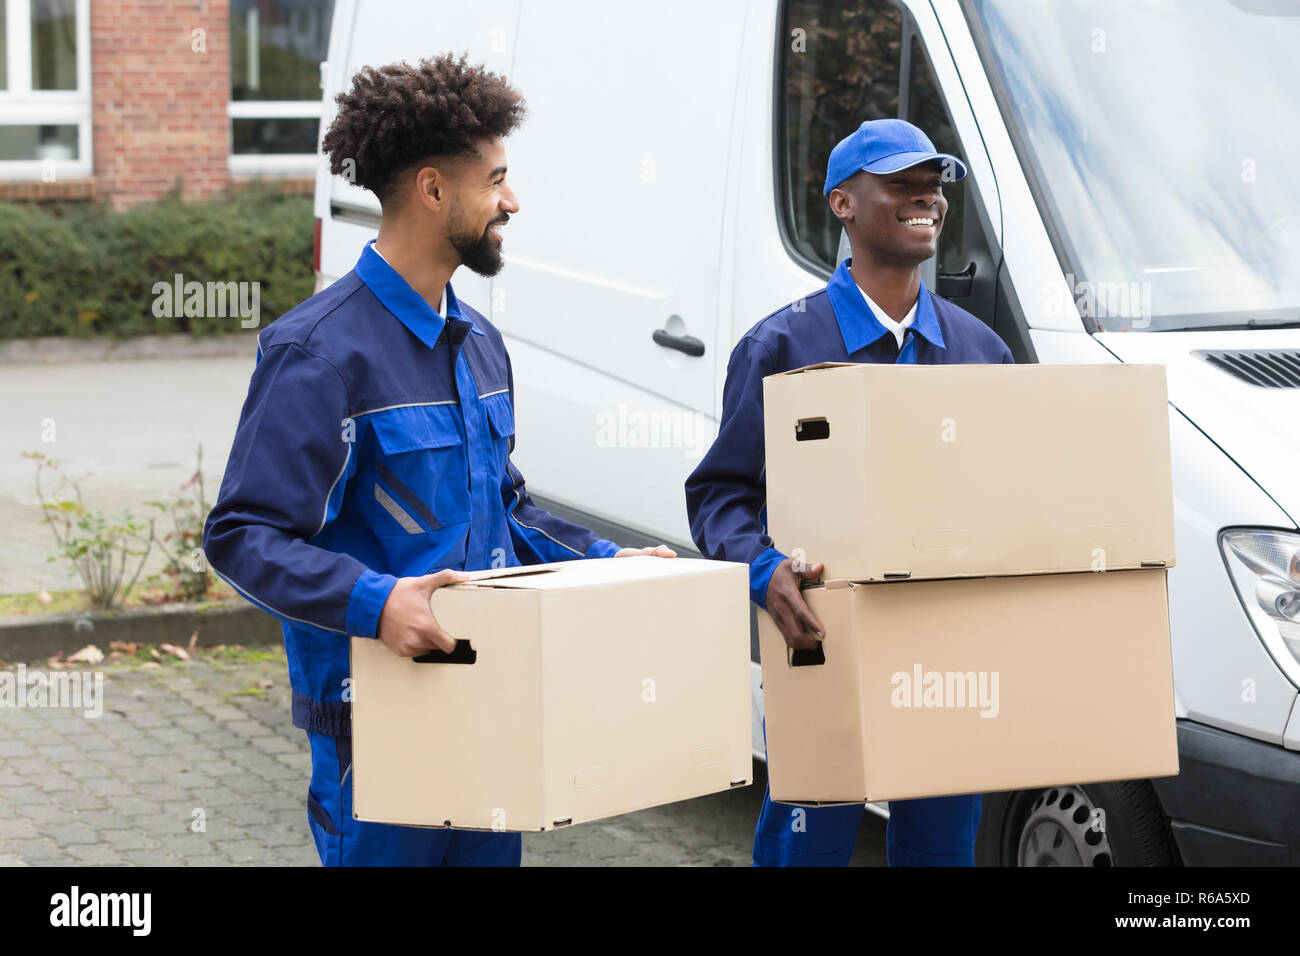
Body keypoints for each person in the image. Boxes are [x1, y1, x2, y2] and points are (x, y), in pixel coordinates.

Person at [202, 54, 673, 867]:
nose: (512, 202)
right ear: (432, 189)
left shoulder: (480, 343)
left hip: (488, 704)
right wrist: (376, 602)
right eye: (496, 181)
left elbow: (506, 507)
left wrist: (603, 562)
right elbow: (242, 536)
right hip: (374, 722)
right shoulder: (317, 354)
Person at [685, 118, 1012, 866]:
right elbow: (719, 494)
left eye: (933, 185)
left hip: (948, 654)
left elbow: (1009, 498)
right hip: (824, 647)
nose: (926, 197)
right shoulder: (782, 346)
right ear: (843, 204)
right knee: (810, 846)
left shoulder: (980, 351)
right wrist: (764, 571)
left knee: (942, 851)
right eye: (901, 184)